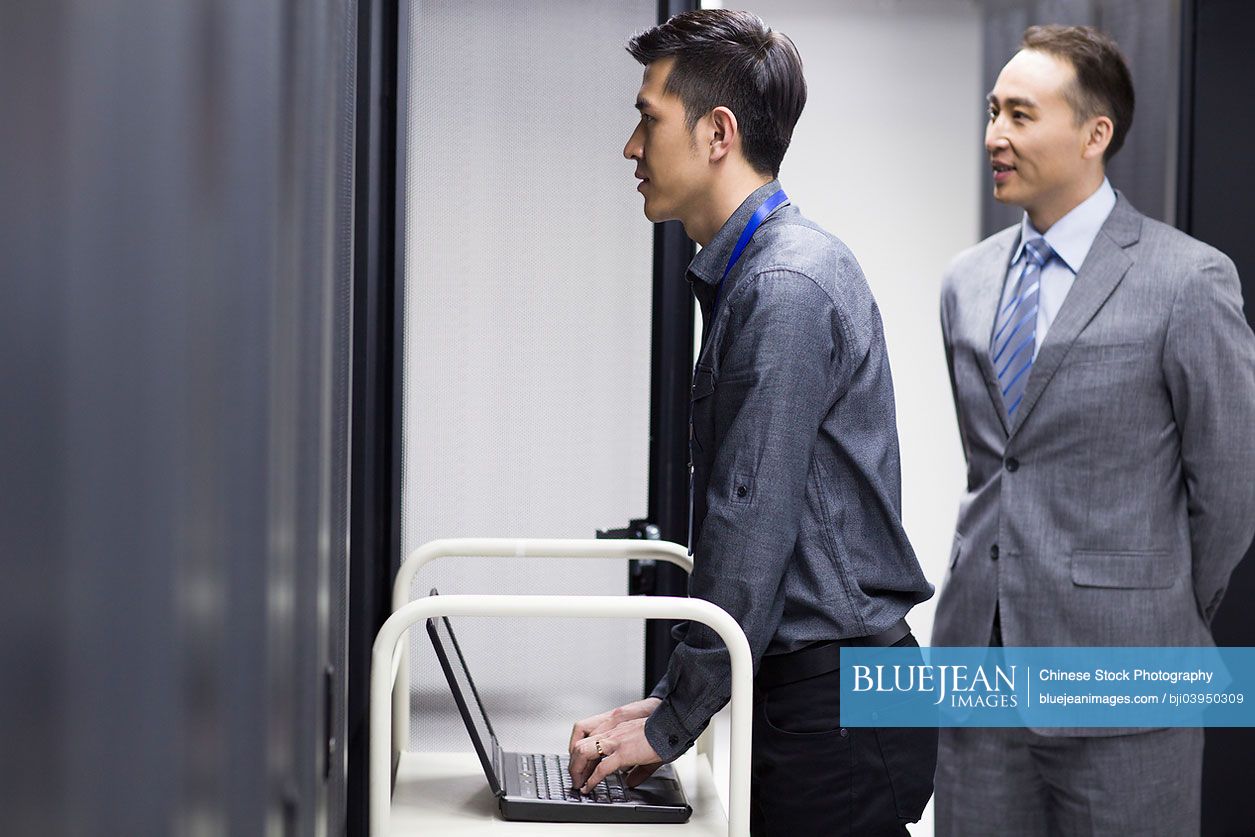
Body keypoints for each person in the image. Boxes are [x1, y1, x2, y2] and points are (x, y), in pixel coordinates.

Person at [565, 10, 936, 835]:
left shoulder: (784, 287)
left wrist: (669, 723)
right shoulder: (761, 274)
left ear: (716, 133)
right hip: (820, 692)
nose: (631, 147)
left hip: (840, 700)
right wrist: (663, 702)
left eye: (647, 118)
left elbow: (750, 520)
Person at [931, 24, 1255, 836]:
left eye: (1018, 114)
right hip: (978, 668)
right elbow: (997, 469)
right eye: (990, 111)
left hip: (1128, 669)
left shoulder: (1187, 279)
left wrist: (1158, 601)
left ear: (1093, 133)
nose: (993, 136)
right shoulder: (964, 283)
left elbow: (1229, 482)